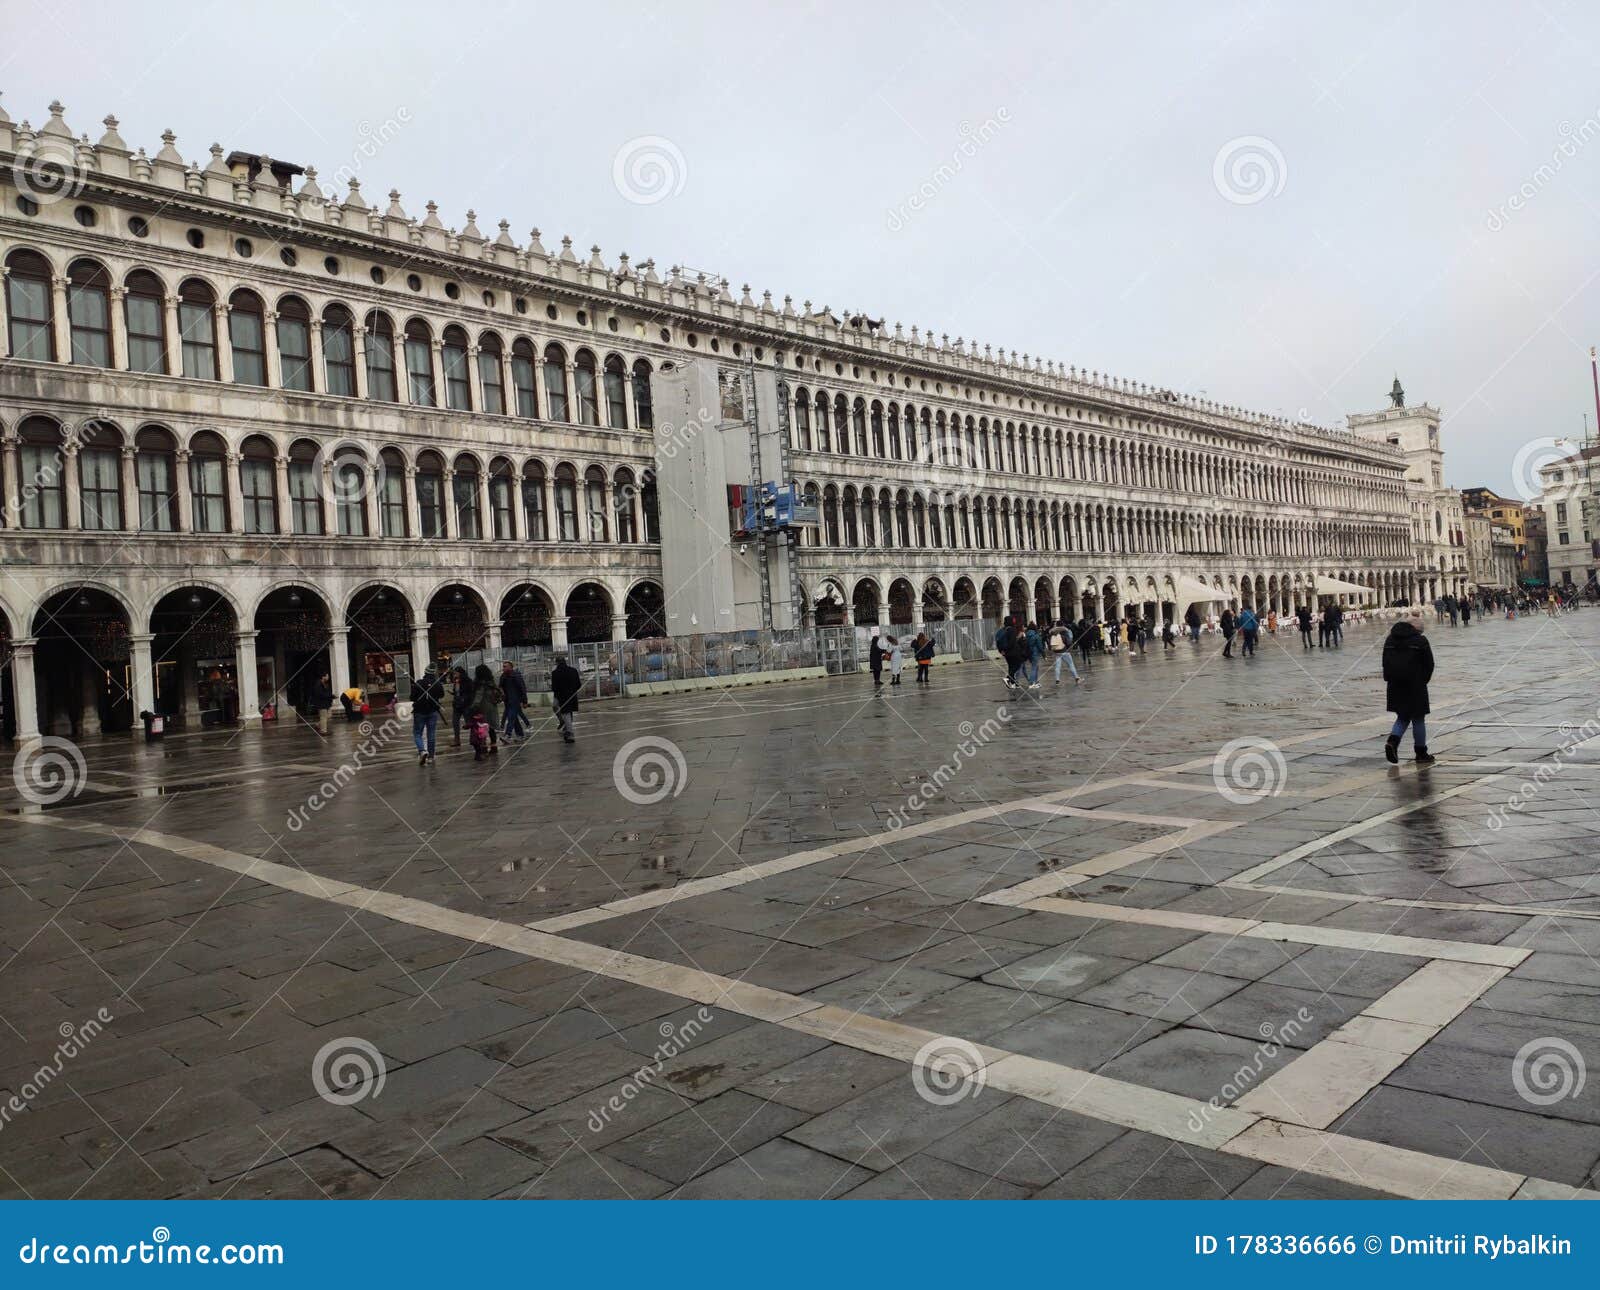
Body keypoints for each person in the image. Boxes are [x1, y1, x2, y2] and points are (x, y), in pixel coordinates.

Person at [1382, 612, 1436, 765]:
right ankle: (1421, 753)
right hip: (1415, 685)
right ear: (1417, 630)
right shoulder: (1420, 641)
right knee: (1418, 718)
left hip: (1394, 685)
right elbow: (1429, 664)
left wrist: (1389, 679)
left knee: (1403, 716)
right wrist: (1423, 680)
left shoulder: (1389, 639)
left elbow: (1384, 663)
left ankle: (1392, 742)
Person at [411, 663, 444, 765]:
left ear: (425, 672)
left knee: (417, 733)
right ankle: (431, 757)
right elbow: (441, 694)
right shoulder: (437, 684)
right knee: (431, 734)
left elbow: (412, 697)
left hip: (419, 712)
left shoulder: (419, 683)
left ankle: (422, 750)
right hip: (433, 711)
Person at [470, 663, 501, 754]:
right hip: (493, 708)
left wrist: (473, 707)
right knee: (491, 728)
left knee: (482, 729)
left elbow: (478, 697)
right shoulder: (491, 682)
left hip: (483, 709)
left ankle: (483, 747)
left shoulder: (480, 684)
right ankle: (494, 746)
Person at [550, 655, 581, 743]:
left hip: (561, 696)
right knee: (569, 712)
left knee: (565, 713)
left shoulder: (555, 673)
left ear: (557, 663)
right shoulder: (573, 670)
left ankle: (570, 733)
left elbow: (554, 688)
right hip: (572, 695)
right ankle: (567, 728)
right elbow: (578, 684)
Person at [500, 659, 529, 742]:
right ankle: (520, 734)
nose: (503, 668)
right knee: (514, 719)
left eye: (505, 667)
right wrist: (501, 693)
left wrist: (525, 701)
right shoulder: (503, 676)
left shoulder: (516, 676)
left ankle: (508, 735)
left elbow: (522, 688)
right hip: (507, 701)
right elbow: (500, 686)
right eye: (503, 666)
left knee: (511, 717)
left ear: (510, 667)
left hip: (515, 701)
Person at [1050, 620, 1082, 684]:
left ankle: (1057, 680)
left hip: (1056, 650)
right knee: (1071, 664)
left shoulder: (1053, 632)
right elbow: (1068, 641)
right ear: (1063, 624)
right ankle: (1077, 678)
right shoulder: (1065, 631)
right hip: (1065, 650)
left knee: (1057, 666)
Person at [449, 666, 471, 746]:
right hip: (457, 704)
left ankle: (476, 738)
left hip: (465, 705)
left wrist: (464, 699)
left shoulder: (467, 681)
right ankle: (457, 739)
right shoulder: (456, 682)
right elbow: (456, 692)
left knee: (469, 723)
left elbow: (469, 692)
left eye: (456, 673)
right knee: (455, 722)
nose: (454, 674)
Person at [1024, 621, 1044, 687]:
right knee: (1034, 667)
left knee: (1035, 667)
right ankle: (1032, 682)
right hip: (1035, 653)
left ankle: (1035, 681)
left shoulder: (1026, 635)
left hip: (1029, 653)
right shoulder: (1036, 635)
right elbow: (1040, 646)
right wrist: (1043, 654)